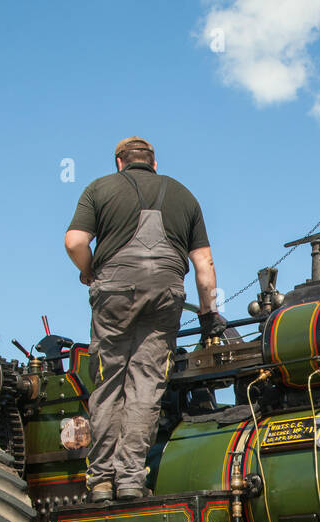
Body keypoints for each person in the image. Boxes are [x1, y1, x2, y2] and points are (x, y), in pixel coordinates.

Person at [64, 136, 227, 503]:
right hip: (166, 294)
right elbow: (205, 266)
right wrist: (208, 314)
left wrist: (89, 272)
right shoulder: (183, 195)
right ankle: (132, 481)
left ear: (119, 163)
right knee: (146, 388)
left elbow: (74, 241)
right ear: (154, 163)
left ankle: (102, 482)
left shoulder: (100, 188)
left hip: (114, 294)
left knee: (108, 385)